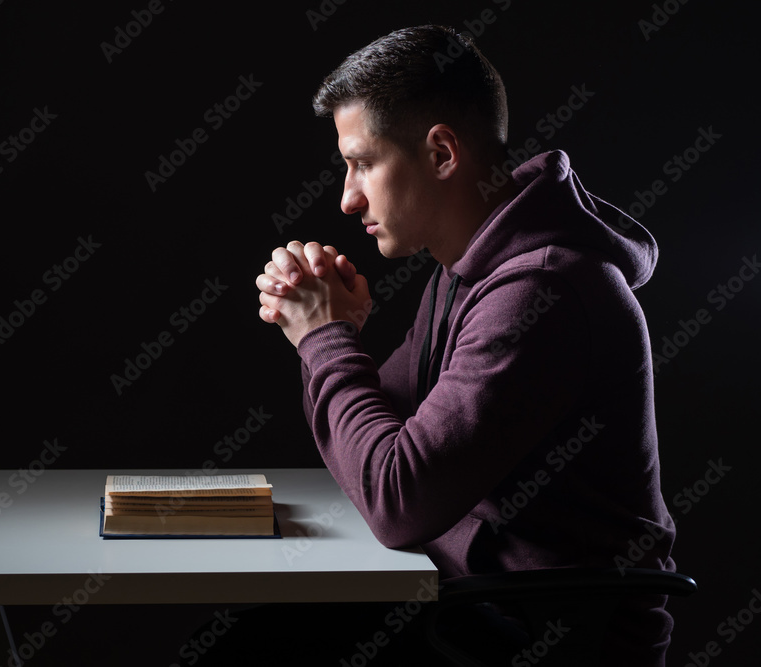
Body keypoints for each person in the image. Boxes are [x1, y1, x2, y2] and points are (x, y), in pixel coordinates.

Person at [253, 24, 677, 666]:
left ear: (442, 153)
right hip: (474, 609)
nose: (347, 198)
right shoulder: (465, 275)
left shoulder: (542, 292)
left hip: (543, 639)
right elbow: (373, 452)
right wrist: (339, 330)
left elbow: (395, 500)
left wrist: (325, 338)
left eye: (363, 163)